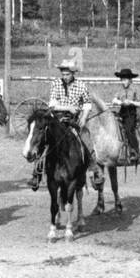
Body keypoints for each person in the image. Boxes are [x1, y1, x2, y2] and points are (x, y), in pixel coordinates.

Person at [29, 59, 92, 190]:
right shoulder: (56, 84)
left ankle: (90, 169)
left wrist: (84, 117)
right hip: (56, 120)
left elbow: (87, 104)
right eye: (63, 74)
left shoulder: (81, 85)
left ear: (73, 73)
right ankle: (37, 173)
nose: (65, 77)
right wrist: (68, 107)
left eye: (67, 74)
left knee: (86, 139)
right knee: (44, 140)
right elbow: (52, 105)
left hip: (74, 120)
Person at [112, 67, 140, 165]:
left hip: (131, 113)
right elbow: (113, 100)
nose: (123, 82)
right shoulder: (119, 90)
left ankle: (135, 150)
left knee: (129, 129)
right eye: (122, 79)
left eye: (125, 79)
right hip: (122, 112)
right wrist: (120, 102)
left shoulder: (135, 89)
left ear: (130, 80)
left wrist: (131, 102)